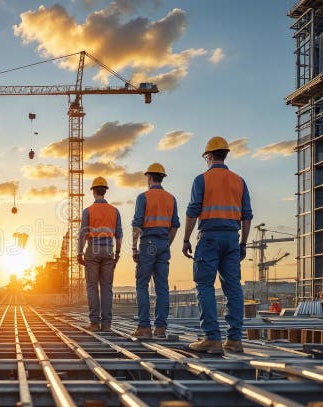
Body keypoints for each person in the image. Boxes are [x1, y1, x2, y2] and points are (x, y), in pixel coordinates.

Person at [182, 137, 252, 354]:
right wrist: (243, 243)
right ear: (225, 155)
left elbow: (193, 211)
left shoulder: (202, 179)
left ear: (209, 156)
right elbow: (247, 216)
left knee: (204, 285)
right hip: (232, 238)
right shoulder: (239, 181)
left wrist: (185, 240)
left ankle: (212, 338)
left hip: (210, 238)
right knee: (233, 288)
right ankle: (234, 340)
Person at [131, 163, 179, 339]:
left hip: (148, 243)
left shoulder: (143, 197)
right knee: (162, 288)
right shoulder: (171, 198)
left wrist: (133, 248)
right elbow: (175, 226)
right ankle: (160, 328)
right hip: (163, 244)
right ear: (162, 178)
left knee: (142, 284)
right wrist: (167, 243)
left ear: (149, 178)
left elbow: (137, 224)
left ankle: (144, 327)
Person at [78, 177, 122, 332]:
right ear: (105, 191)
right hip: (109, 250)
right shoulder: (114, 211)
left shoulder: (88, 211)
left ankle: (95, 323)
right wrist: (117, 253)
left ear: (93, 191)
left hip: (93, 251)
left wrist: (79, 253)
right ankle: (107, 324)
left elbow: (82, 235)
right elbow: (119, 235)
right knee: (106, 287)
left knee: (91, 286)